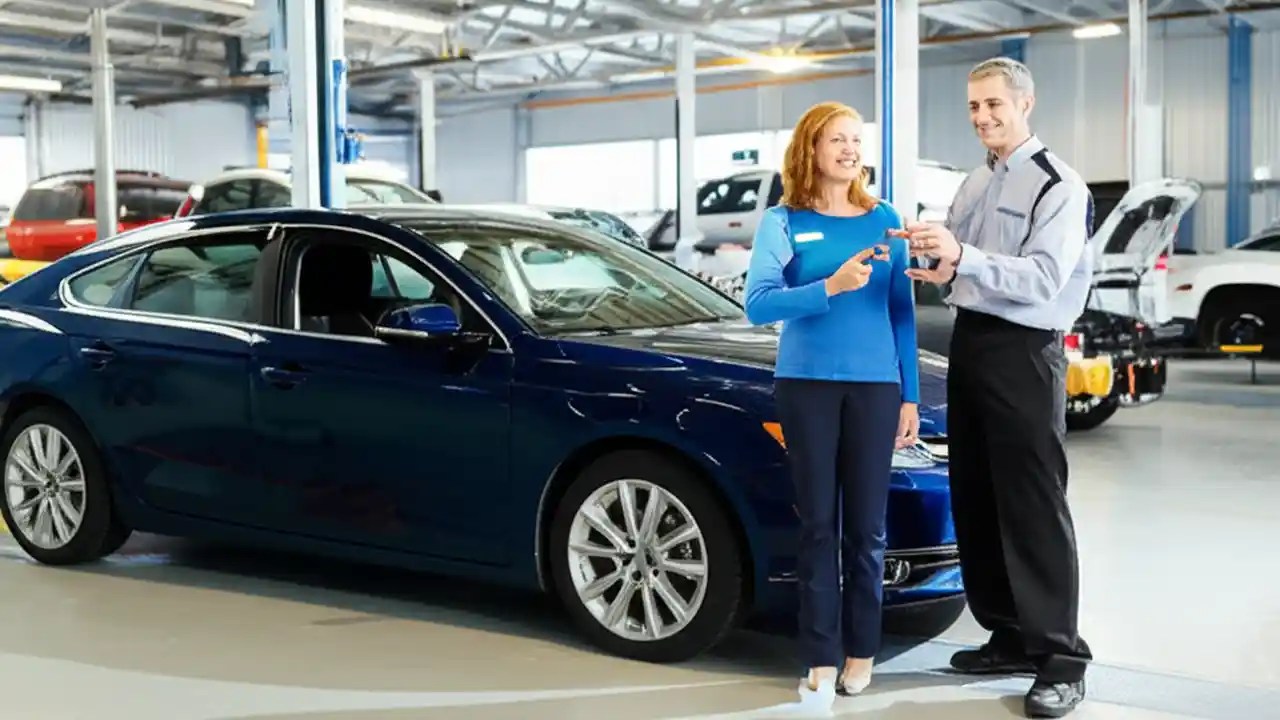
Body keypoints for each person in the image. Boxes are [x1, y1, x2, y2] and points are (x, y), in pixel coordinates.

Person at [901, 57, 1093, 718]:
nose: (982, 117)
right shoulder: (977, 181)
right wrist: (940, 264)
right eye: (974, 106)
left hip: (1024, 351)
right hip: (972, 343)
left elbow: (1042, 278)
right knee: (977, 495)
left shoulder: (1057, 185)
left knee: (1033, 502)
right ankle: (1009, 634)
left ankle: (1061, 659)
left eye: (993, 105)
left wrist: (965, 259)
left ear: (1025, 104)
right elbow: (964, 265)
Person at [743, 101, 920, 713]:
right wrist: (829, 287)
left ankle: (862, 651)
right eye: (836, 139)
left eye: (855, 140)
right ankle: (820, 654)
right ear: (810, 149)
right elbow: (759, 304)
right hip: (806, 385)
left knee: (868, 529)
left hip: (875, 389)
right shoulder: (783, 220)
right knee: (819, 525)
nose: (849, 149)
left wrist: (909, 393)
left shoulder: (885, 218)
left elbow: (901, 310)